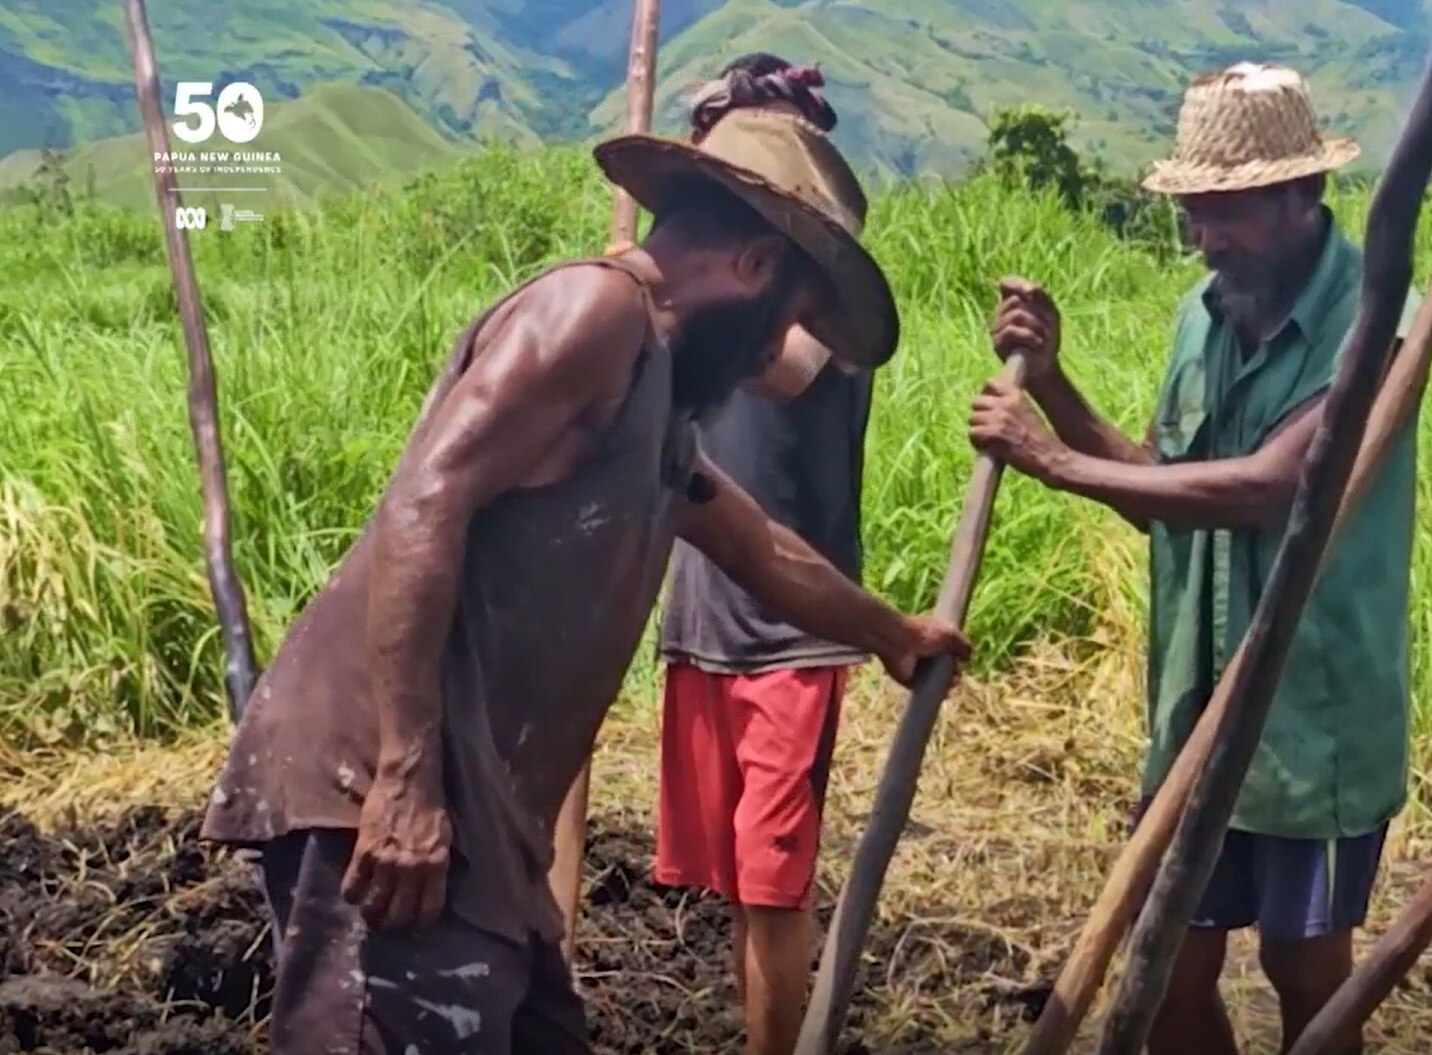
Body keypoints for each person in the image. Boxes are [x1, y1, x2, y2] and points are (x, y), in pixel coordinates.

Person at [198, 108, 969, 1055]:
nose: (778, 354)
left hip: (484, 818)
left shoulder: (659, 400)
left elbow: (760, 550)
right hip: (386, 787)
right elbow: (421, 504)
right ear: (755, 269)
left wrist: (894, 633)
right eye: (789, 321)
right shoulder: (593, 315)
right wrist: (405, 775)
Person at [967, 64, 1419, 1055]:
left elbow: (1268, 493)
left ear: (1302, 196)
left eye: (1228, 213)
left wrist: (1049, 461)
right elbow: (1165, 491)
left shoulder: (1374, 327)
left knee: (1306, 972)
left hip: (1311, 718)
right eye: (1195, 212)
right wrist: (1053, 388)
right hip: (1190, 708)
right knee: (1167, 962)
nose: (1206, 236)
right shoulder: (1197, 316)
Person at [648, 54, 873, 1055]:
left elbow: (780, 370)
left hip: (793, 629)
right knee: (737, 883)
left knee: (773, 883)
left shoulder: (820, 296)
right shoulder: (708, 280)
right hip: (703, 613)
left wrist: (676, 299)